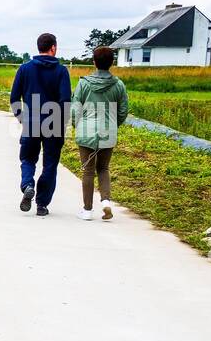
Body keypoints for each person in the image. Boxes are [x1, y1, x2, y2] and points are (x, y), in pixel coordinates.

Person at [9, 33, 72, 216]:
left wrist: (21, 117)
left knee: (28, 158)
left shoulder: (24, 69)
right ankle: (42, 204)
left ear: (39, 47)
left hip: (31, 121)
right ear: (53, 47)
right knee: (50, 164)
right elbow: (65, 101)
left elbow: (14, 98)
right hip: (54, 123)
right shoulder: (61, 71)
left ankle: (28, 184)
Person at [70, 46, 128, 221]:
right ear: (112, 62)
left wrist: (76, 125)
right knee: (103, 169)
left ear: (94, 62)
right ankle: (106, 202)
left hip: (86, 131)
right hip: (107, 131)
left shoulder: (84, 83)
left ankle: (87, 211)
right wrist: (113, 124)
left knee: (88, 171)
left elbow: (75, 109)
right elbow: (123, 110)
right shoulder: (118, 85)